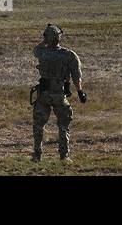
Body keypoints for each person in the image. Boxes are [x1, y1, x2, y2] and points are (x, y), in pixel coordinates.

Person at [31, 23, 85, 162]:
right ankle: (64, 156)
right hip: (59, 94)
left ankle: (37, 155)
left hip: (43, 94)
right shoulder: (69, 55)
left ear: (47, 38)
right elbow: (76, 76)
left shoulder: (42, 52)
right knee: (63, 125)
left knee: (38, 126)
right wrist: (80, 92)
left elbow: (36, 49)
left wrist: (46, 39)